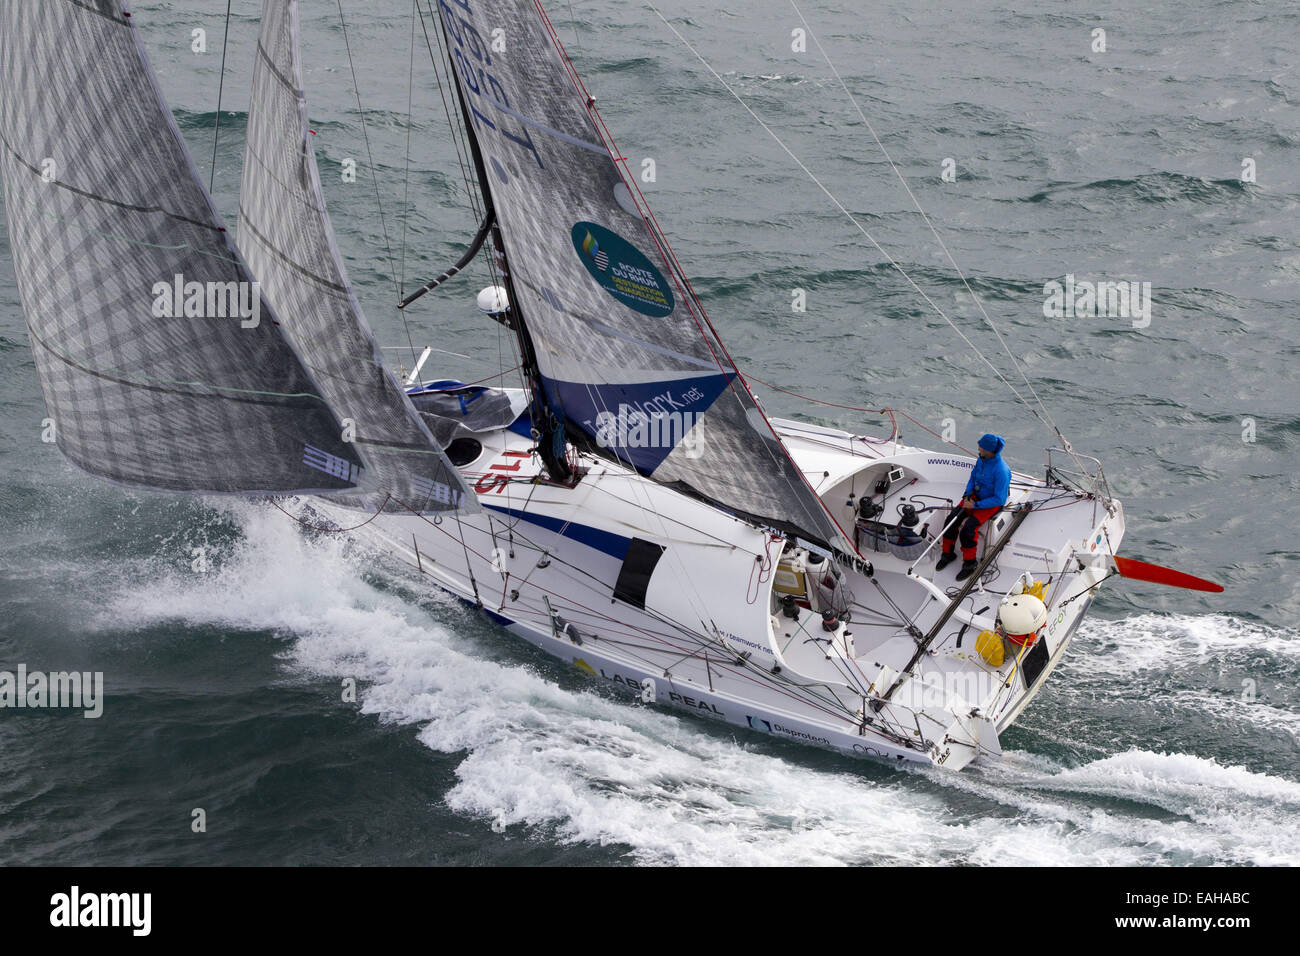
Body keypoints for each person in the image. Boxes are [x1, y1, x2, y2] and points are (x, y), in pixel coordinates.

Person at [936, 433, 1011, 581]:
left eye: (981, 446)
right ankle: (948, 554)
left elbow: (1000, 498)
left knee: (968, 530)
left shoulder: (1001, 470)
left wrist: (976, 505)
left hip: (990, 503)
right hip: (974, 497)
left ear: (989, 451)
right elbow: (972, 477)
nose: (978, 448)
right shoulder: (982, 459)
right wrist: (967, 495)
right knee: (951, 520)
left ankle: (970, 564)